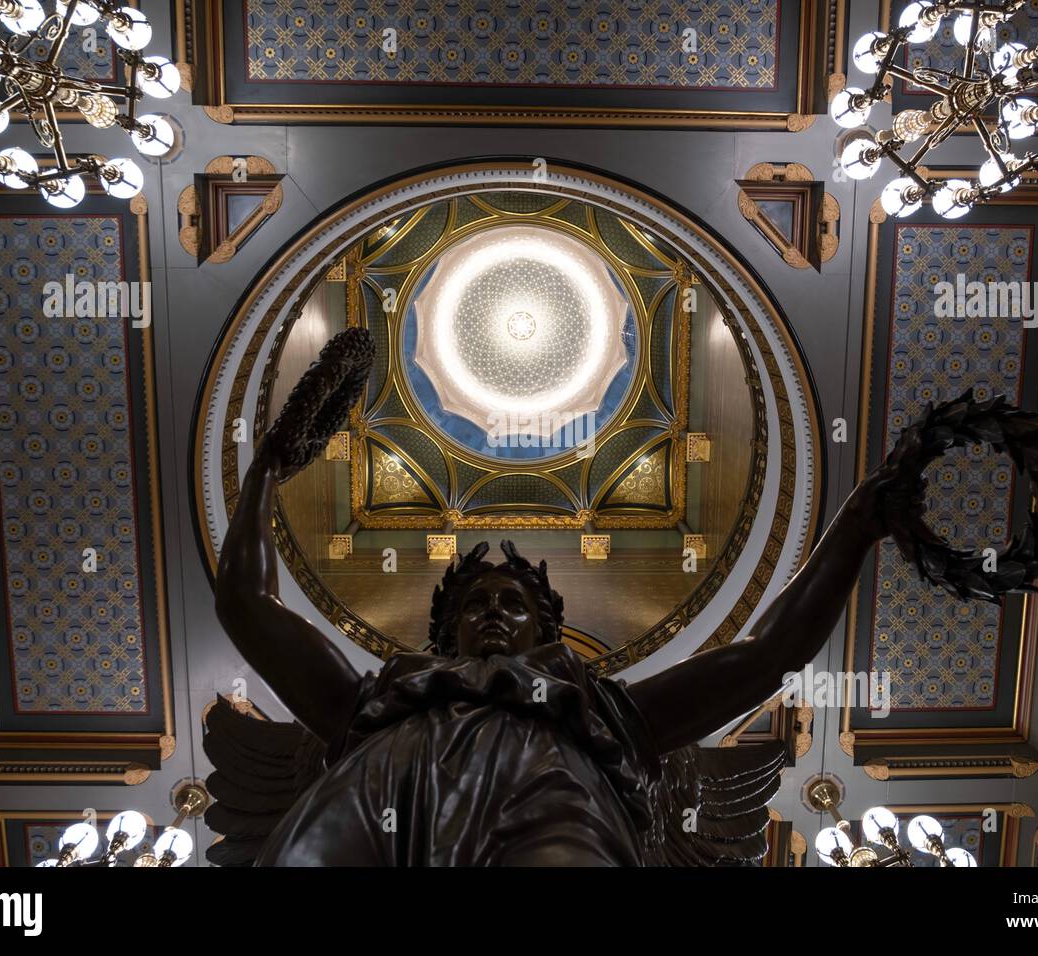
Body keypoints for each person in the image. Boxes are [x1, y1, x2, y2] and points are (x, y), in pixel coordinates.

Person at [213, 328, 911, 865]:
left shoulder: (604, 709)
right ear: (444, 633)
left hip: (553, 805)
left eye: (512, 604)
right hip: (366, 801)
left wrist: (853, 529)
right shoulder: (377, 699)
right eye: (475, 605)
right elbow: (245, 603)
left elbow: (768, 654)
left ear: (546, 633)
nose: (491, 611)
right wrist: (269, 469)